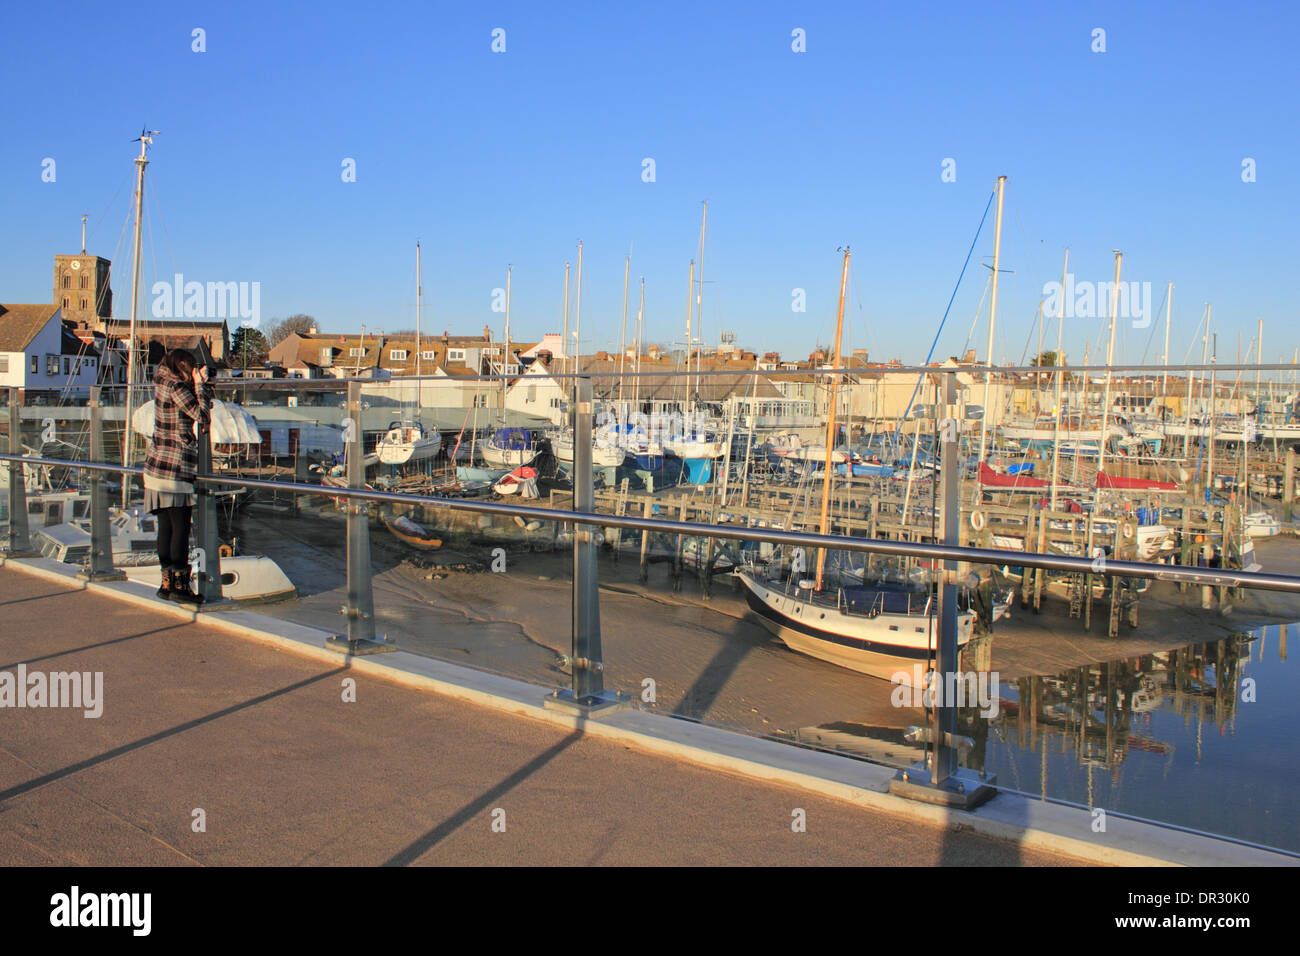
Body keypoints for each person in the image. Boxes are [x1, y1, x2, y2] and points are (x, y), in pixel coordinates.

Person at [143, 349, 212, 604]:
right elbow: (201, 415)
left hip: (155, 465)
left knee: (166, 528)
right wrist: (200, 386)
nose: (192, 370)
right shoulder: (177, 386)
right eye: (191, 366)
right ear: (182, 364)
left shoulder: (161, 381)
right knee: (181, 528)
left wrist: (194, 384)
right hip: (175, 466)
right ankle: (180, 589)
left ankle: (165, 584)